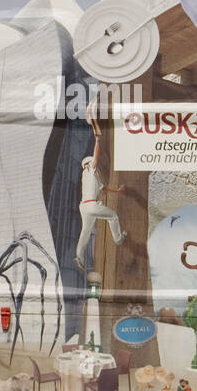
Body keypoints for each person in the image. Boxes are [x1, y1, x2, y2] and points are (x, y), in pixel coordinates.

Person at [75, 106, 126, 271]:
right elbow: (97, 148)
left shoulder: (91, 177)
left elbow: (104, 190)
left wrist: (117, 191)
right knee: (113, 216)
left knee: (85, 232)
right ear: (88, 164)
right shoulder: (90, 169)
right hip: (91, 205)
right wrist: (96, 135)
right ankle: (118, 239)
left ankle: (79, 257)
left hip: (84, 206)